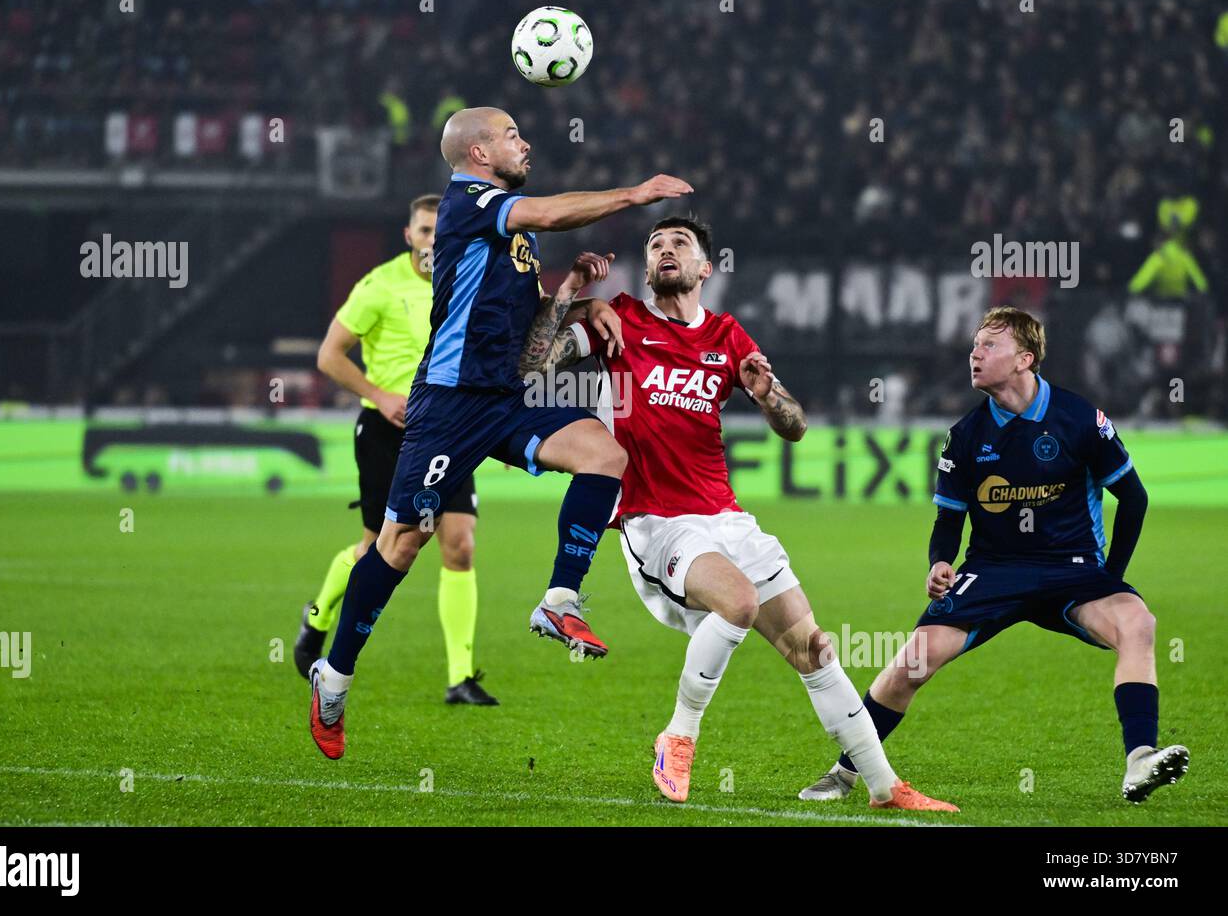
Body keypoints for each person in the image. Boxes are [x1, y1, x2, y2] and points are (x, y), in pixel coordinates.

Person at [307, 106, 692, 759]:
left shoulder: (513, 236)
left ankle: (560, 598)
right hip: (449, 405)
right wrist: (633, 193)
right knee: (400, 547)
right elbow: (545, 212)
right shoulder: (468, 202)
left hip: (506, 398)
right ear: (479, 152)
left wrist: (573, 292)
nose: (526, 142)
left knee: (605, 455)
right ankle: (334, 675)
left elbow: (533, 347)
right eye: (513, 134)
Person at [538, 217, 956, 810]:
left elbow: (795, 426)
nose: (665, 250)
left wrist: (767, 396)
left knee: (814, 650)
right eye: (655, 244)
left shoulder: (727, 335)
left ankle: (885, 788)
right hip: (655, 519)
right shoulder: (621, 319)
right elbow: (536, 364)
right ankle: (678, 736)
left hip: (727, 518)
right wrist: (570, 296)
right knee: (737, 603)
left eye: (679, 243)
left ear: (705, 268)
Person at [799, 307, 1187, 804]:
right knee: (913, 662)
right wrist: (940, 561)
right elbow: (948, 519)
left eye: (989, 345)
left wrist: (1109, 578)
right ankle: (845, 772)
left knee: (1140, 623)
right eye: (973, 346)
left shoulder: (1079, 418)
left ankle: (1139, 762)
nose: (974, 355)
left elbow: (1134, 498)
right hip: (992, 572)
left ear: (1025, 358)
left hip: (1071, 569)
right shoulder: (965, 436)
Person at [294, 195, 495, 704]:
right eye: (423, 231)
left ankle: (460, 677)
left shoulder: (466, 283)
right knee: (375, 550)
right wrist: (379, 396)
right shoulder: (379, 285)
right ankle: (318, 615)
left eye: (439, 231)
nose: (432, 241)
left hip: (447, 430)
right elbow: (328, 355)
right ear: (409, 236)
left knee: (461, 545)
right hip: (387, 430)